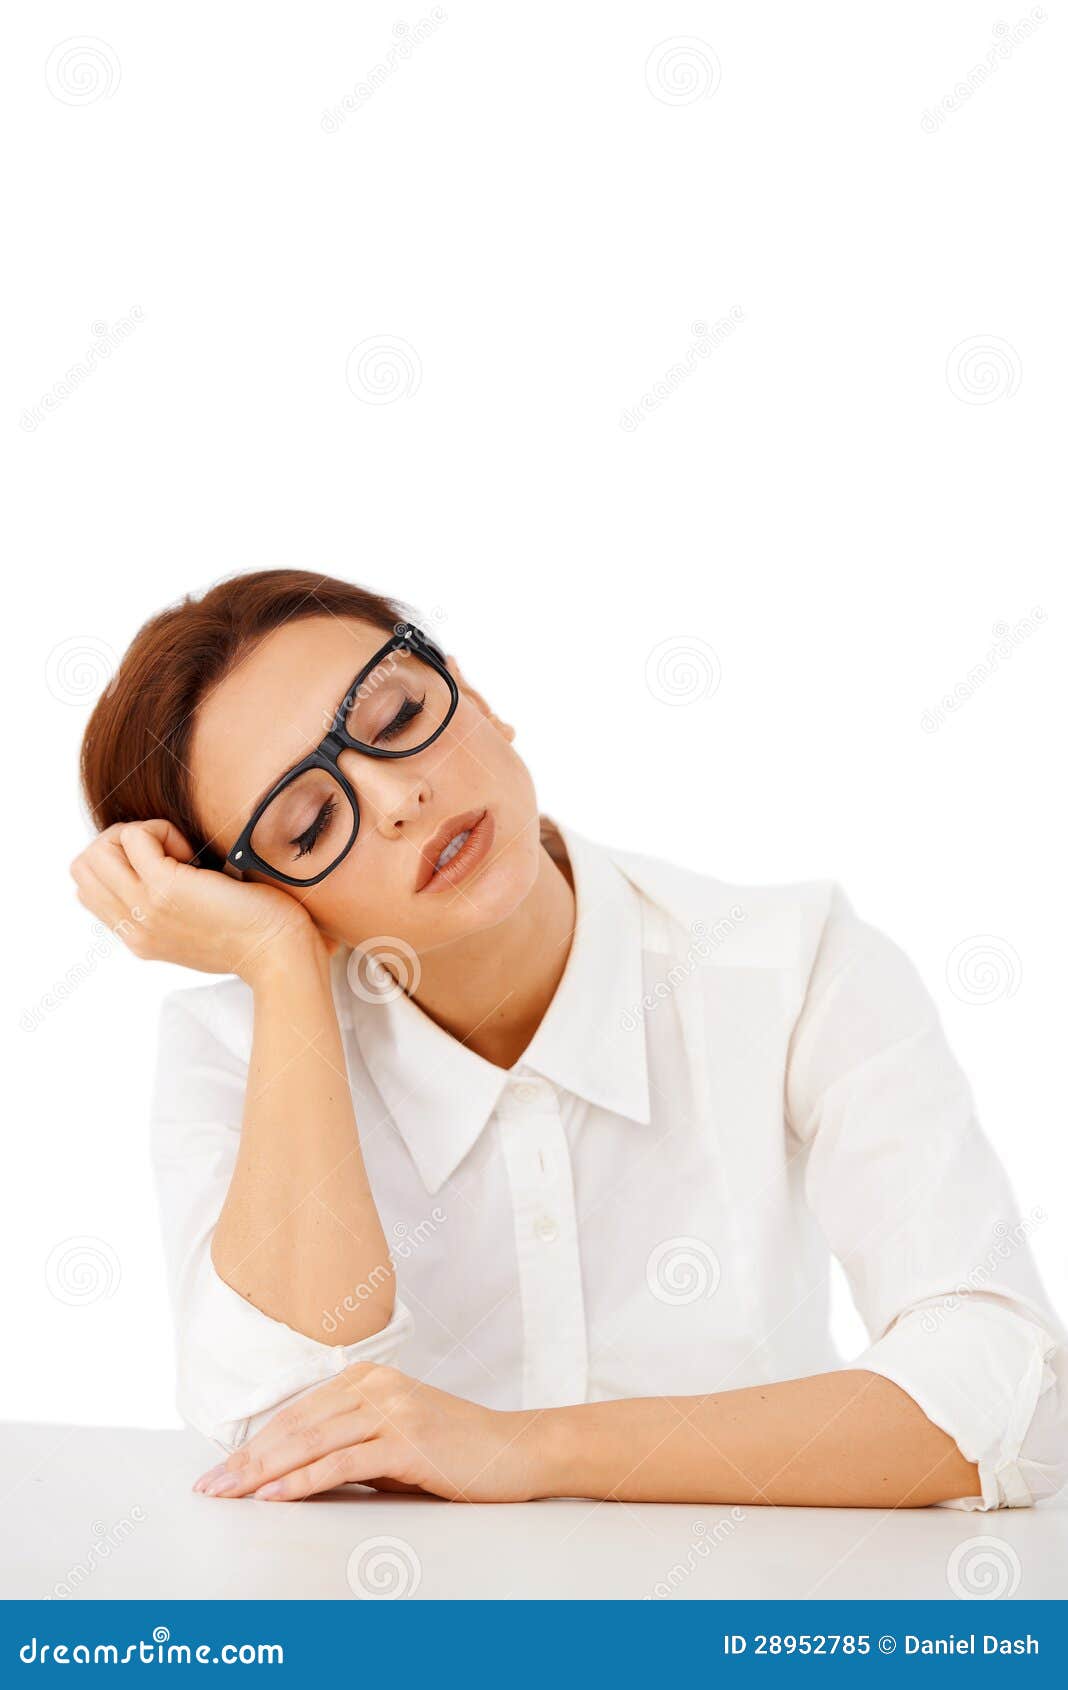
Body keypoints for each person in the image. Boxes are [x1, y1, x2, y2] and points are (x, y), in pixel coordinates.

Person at [71, 568, 1066, 1509]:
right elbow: (280, 1421)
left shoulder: (794, 964)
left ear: (475, 694)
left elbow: (1007, 1395)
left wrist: (527, 1448)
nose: (397, 796)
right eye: (306, 824)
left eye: (399, 717)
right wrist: (281, 960)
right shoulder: (238, 1046)